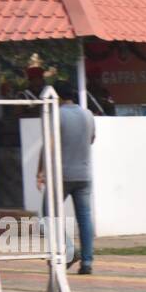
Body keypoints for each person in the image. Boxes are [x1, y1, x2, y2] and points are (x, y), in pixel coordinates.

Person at [37, 85, 95, 275]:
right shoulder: (88, 114)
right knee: (84, 218)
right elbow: (92, 139)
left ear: (59, 98)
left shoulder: (57, 115)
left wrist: (40, 172)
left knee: (48, 213)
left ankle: (70, 251)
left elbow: (48, 145)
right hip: (84, 175)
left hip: (61, 176)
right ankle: (87, 262)